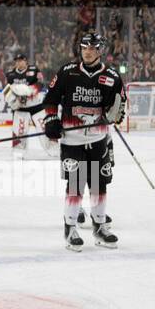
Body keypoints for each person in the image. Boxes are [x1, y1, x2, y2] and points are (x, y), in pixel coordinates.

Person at [40, 31, 126, 251]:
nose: (87, 52)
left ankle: (99, 228)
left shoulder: (112, 77)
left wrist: (116, 114)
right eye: (84, 48)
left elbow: (120, 107)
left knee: (99, 185)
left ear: (99, 51)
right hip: (72, 140)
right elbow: (50, 99)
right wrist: (51, 120)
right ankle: (70, 229)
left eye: (92, 48)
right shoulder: (68, 72)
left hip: (98, 139)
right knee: (76, 185)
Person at [2, 52, 46, 156]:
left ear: (25, 61)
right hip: (20, 108)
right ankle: (18, 152)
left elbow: (41, 84)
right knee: (19, 131)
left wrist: (31, 90)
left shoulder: (34, 70)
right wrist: (12, 100)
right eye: (17, 61)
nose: (18, 63)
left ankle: (54, 149)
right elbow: (6, 91)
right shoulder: (10, 74)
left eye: (21, 60)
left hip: (36, 105)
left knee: (45, 128)